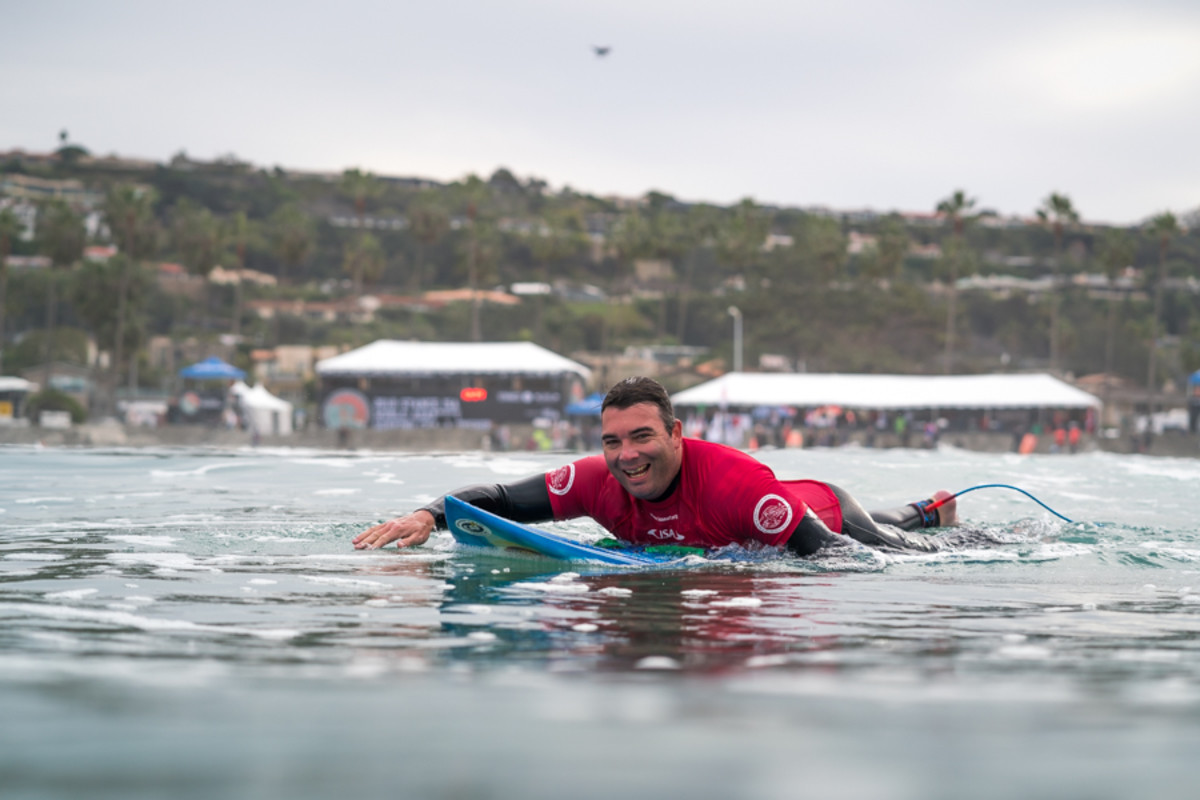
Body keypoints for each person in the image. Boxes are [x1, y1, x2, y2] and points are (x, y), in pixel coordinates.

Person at [353, 377, 957, 556]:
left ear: (675, 434)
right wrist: (430, 515)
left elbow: (833, 557)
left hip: (814, 509)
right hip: (744, 523)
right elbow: (501, 500)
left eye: (641, 436)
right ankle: (926, 509)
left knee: (892, 540)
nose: (626, 455)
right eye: (612, 441)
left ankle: (933, 519)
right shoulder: (597, 478)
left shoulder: (735, 483)